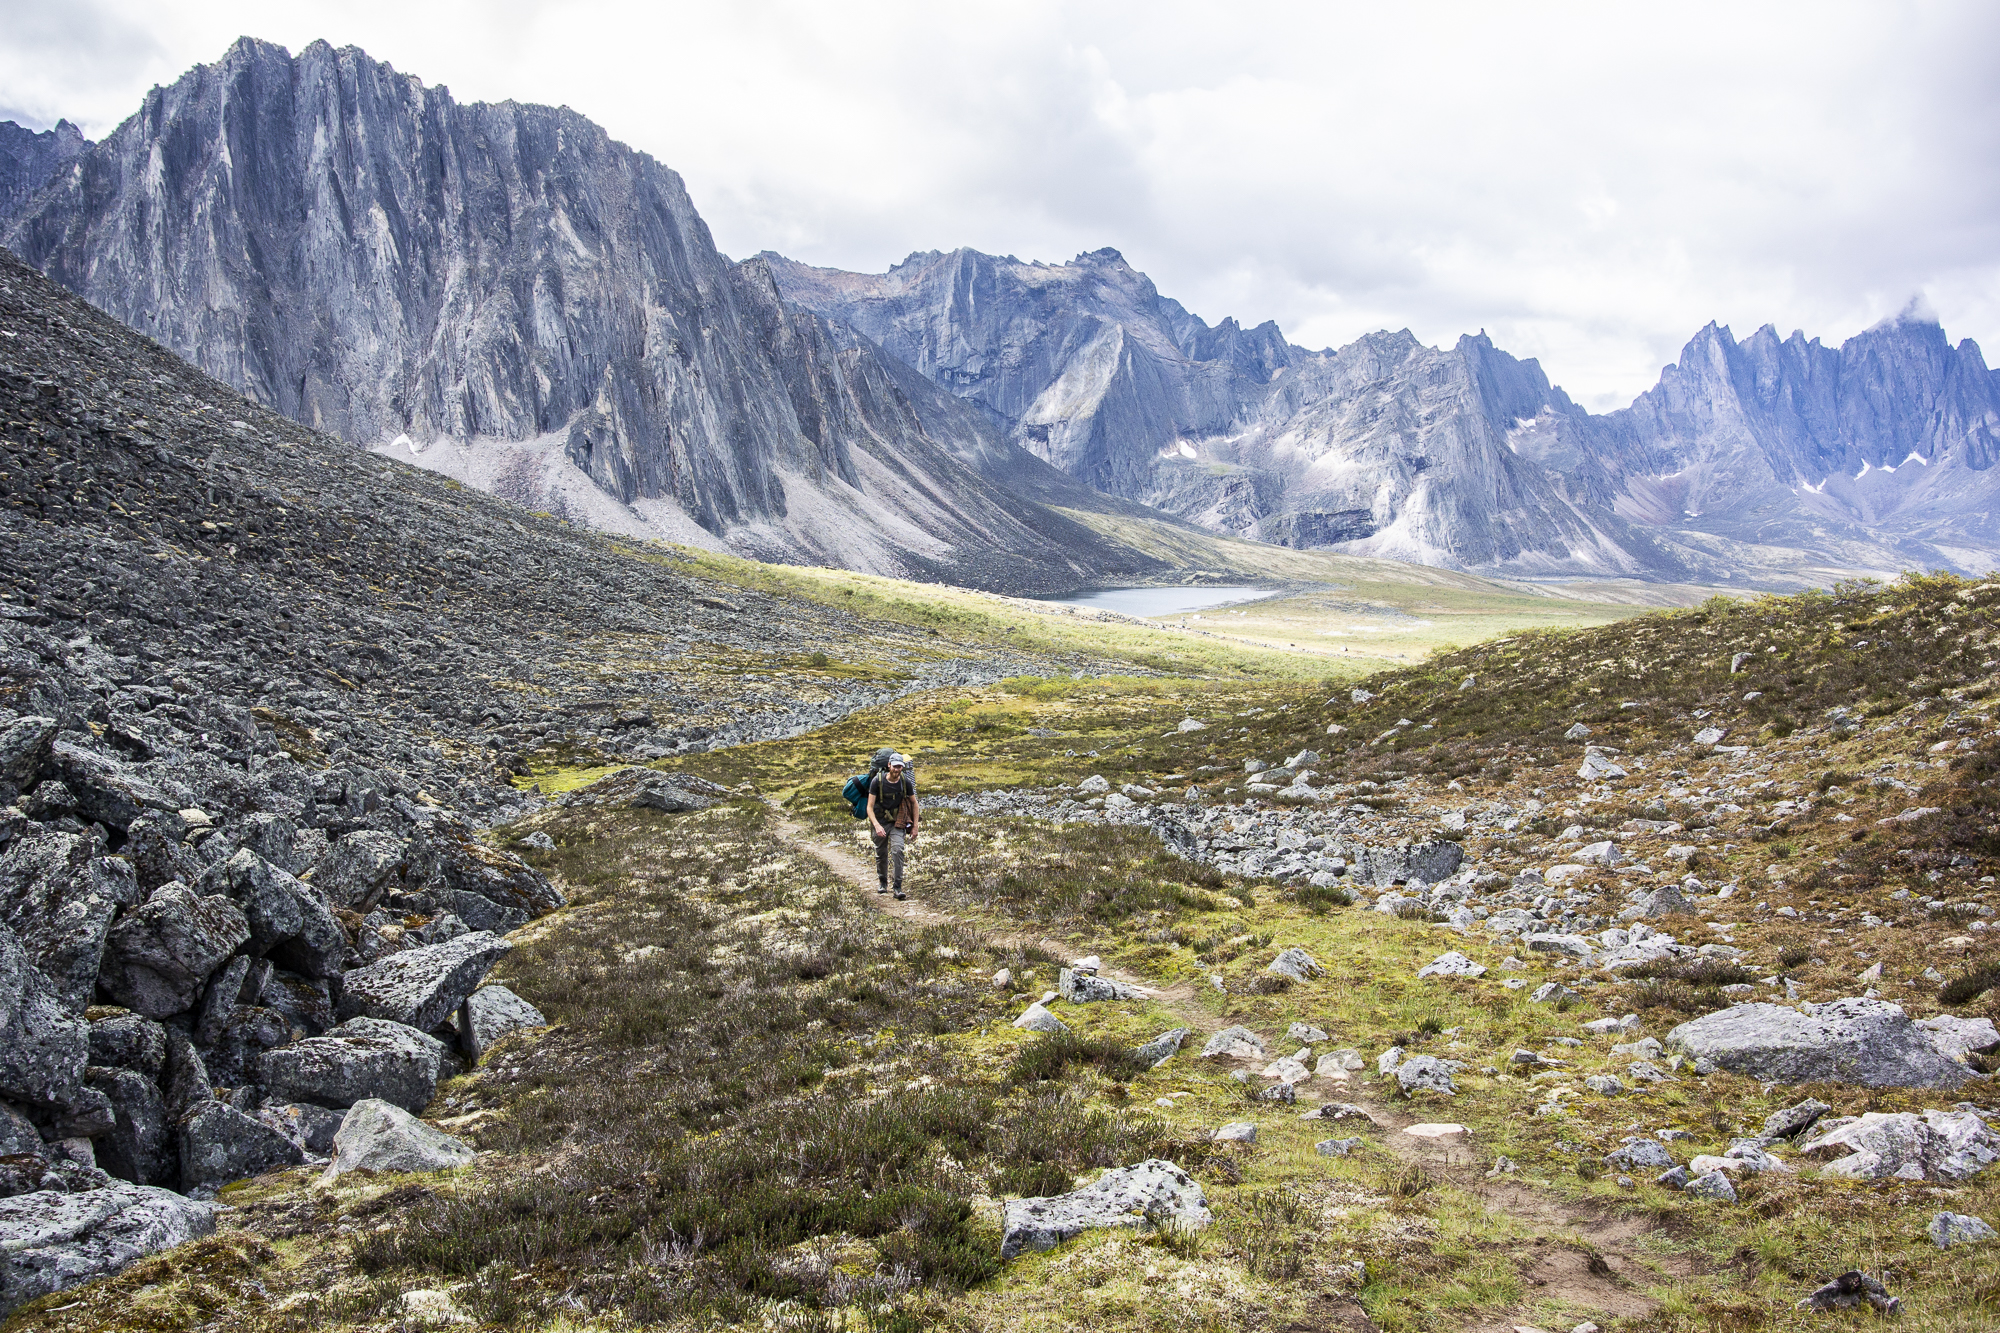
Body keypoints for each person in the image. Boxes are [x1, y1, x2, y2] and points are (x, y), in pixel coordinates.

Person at [867, 753, 919, 899]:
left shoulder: (905, 782)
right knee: (881, 853)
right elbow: (869, 807)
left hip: (898, 822)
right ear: (889, 765)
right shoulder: (876, 782)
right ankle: (883, 882)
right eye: (895, 766)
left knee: (898, 850)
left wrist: (915, 826)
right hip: (880, 821)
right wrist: (877, 826)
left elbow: (914, 803)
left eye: (900, 767)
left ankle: (898, 887)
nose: (897, 770)